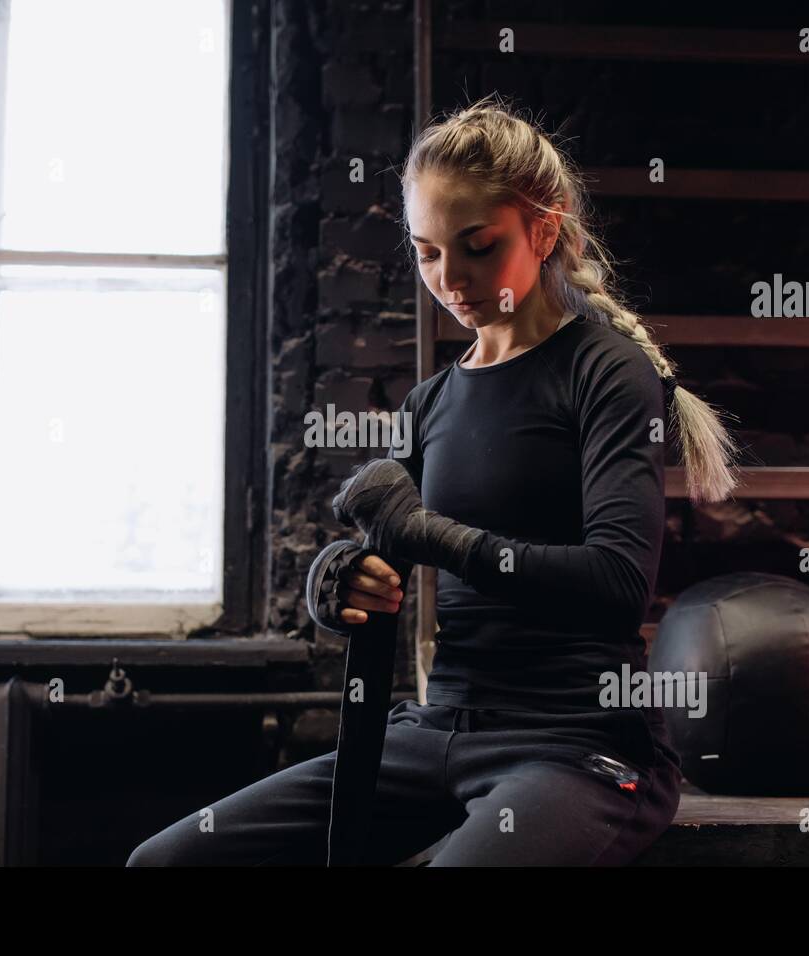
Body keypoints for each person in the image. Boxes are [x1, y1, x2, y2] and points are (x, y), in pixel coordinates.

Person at [127, 93, 739, 867]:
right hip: (434, 731)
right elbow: (383, 558)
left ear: (543, 229)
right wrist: (339, 579)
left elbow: (618, 580)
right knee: (167, 863)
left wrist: (428, 535)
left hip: (576, 747)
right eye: (426, 252)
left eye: (477, 246)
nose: (450, 278)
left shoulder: (606, 373)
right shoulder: (433, 401)